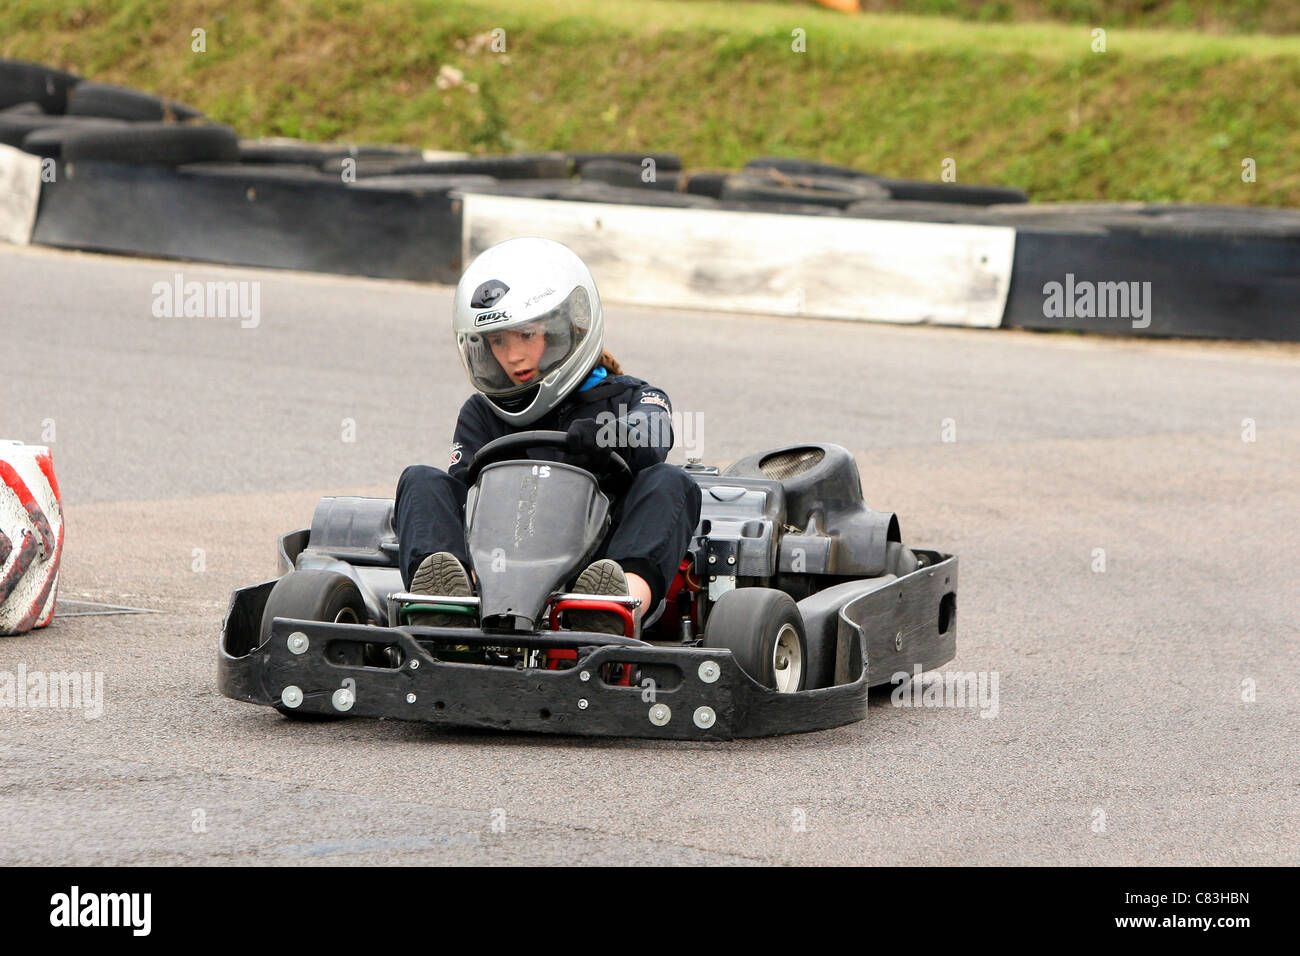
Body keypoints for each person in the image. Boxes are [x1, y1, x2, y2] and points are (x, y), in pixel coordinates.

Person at [395, 237, 701, 634]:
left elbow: (653, 436)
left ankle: (617, 605)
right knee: (421, 480)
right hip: (495, 567)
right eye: (498, 341)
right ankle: (447, 605)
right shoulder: (482, 412)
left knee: (670, 481)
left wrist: (610, 437)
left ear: (563, 330)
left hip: (595, 564)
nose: (512, 356)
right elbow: (463, 497)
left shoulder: (633, 397)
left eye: (525, 335)